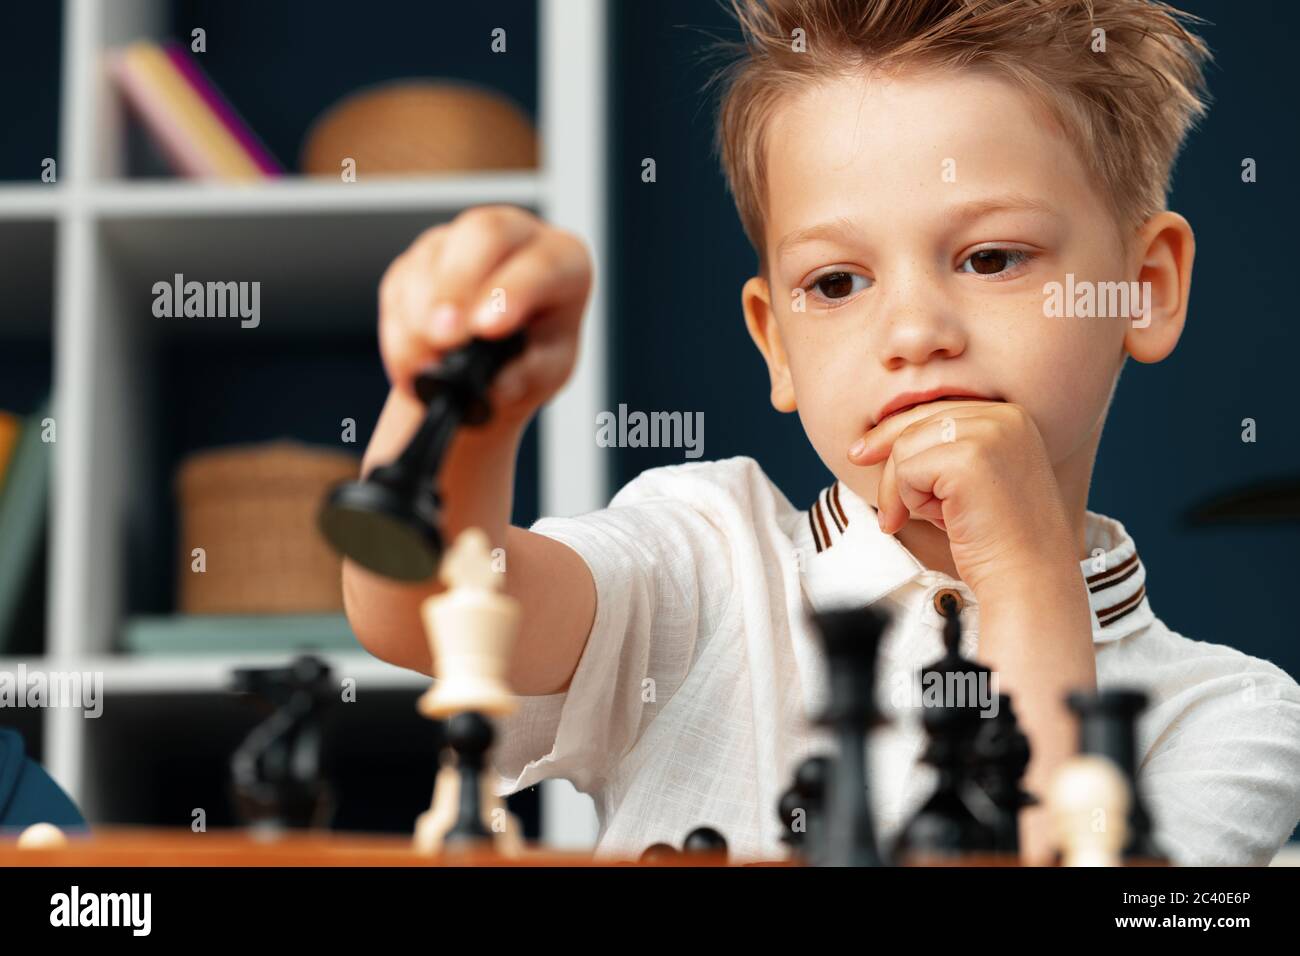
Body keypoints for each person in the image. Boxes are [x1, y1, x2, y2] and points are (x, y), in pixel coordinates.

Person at [344, 0, 1300, 865]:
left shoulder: (1235, 717)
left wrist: (1022, 578)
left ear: (1148, 286)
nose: (916, 334)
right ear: (778, 345)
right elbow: (418, 610)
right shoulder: (702, 560)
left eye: (991, 257)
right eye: (837, 283)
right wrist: (467, 404)